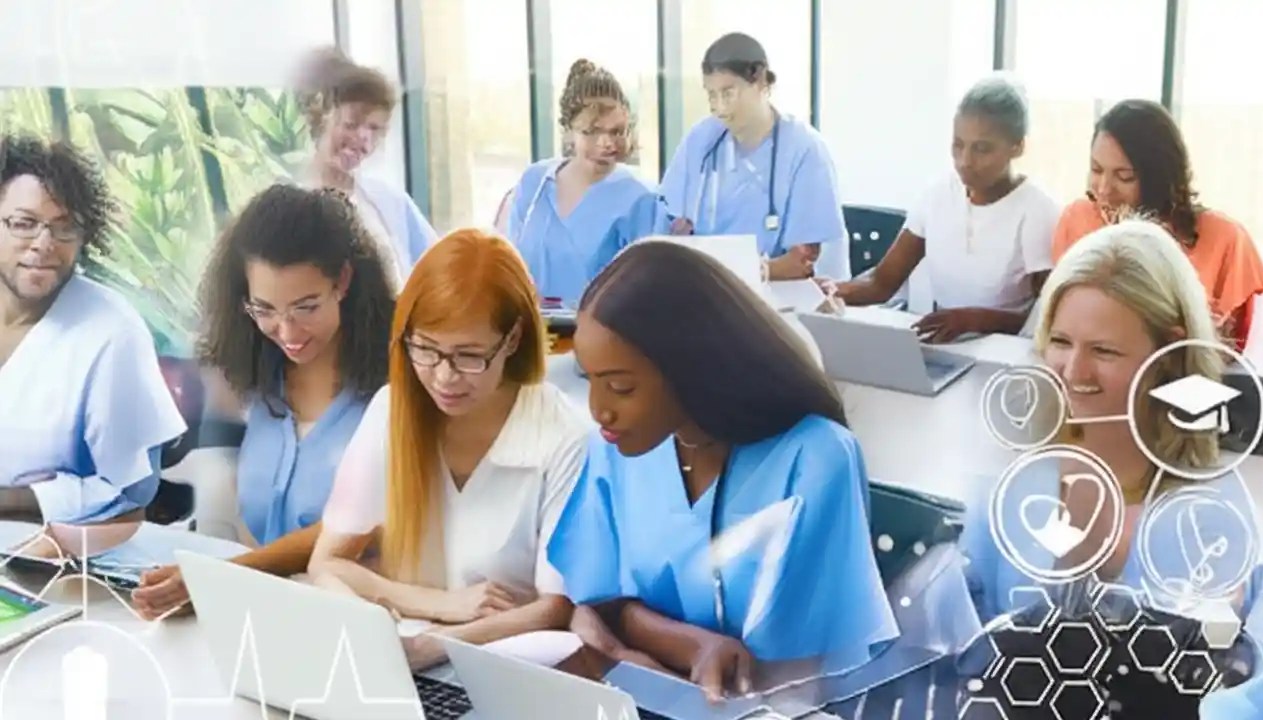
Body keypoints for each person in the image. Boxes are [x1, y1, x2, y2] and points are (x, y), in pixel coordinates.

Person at [547, 241, 898, 701]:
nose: (599, 410)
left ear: (693, 368)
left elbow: (793, 679)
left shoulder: (815, 459)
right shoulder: (614, 447)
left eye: (620, 387)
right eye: (589, 378)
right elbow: (596, 603)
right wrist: (690, 646)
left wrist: (632, 651)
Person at [959, 220, 1263, 716]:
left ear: (1168, 355)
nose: (1073, 371)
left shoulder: (1213, 513)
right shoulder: (1006, 484)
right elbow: (959, 653)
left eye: (1103, 350)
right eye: (1060, 341)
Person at [305, 228, 590, 669]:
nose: (444, 377)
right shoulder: (391, 410)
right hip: (402, 650)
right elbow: (327, 563)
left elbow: (554, 607)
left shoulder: (563, 435)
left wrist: (432, 646)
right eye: (426, 349)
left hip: (503, 667)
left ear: (513, 339)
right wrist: (439, 605)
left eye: (469, 356)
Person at [131, 184, 395, 620]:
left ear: (343, 281)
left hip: (356, 620)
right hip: (261, 610)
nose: (287, 332)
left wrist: (221, 578)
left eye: (306, 307)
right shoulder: (255, 375)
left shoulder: (394, 386)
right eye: (265, 309)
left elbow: (361, 527)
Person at [0, 134, 184, 529]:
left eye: (65, 228)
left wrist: (16, 498)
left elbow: (132, 489)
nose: (44, 243)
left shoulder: (112, 331)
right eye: (24, 224)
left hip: (48, 552)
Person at [830, 75, 1058, 343]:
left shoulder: (1037, 210)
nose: (965, 161)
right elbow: (882, 284)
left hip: (1008, 350)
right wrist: (831, 291)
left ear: (1017, 147)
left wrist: (974, 320)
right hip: (945, 342)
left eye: (982, 149)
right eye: (958, 145)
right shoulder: (937, 194)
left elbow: (1048, 318)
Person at [1050, 99, 1263, 350]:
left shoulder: (1224, 238)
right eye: (1097, 170)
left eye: (1125, 176)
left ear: (1160, 177)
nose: (1104, 189)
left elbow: (1235, 352)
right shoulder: (1078, 219)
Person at [660, 32, 849, 282]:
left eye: (728, 93)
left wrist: (753, 272)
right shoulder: (701, 140)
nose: (719, 108)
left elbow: (804, 263)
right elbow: (670, 228)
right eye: (711, 95)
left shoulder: (804, 149)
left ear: (760, 82)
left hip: (777, 296)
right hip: (705, 288)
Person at [506, 59, 659, 305]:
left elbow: (649, 291)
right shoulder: (534, 182)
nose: (606, 143)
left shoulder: (641, 198)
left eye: (617, 131)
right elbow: (509, 264)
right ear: (568, 131)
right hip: (530, 321)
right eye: (592, 131)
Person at [294, 47, 438, 286]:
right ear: (320, 119)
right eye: (351, 124)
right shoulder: (294, 210)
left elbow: (438, 267)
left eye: (374, 128)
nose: (363, 138)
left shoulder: (389, 201)